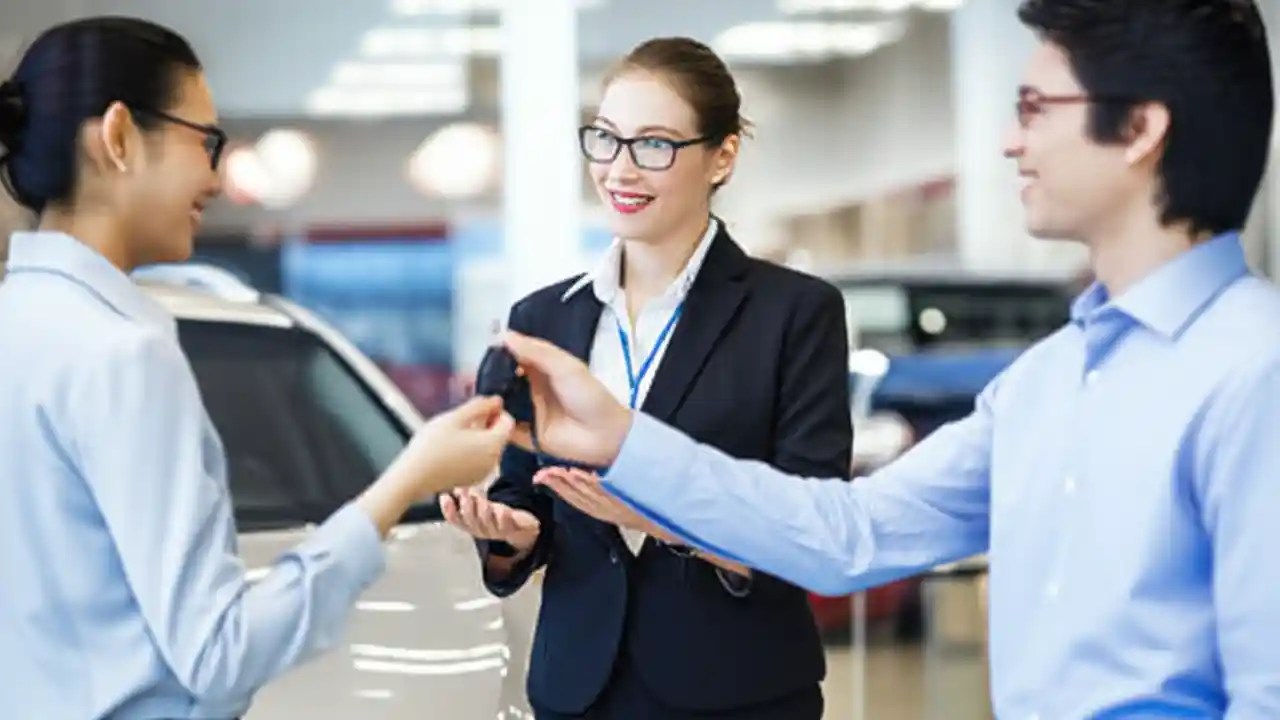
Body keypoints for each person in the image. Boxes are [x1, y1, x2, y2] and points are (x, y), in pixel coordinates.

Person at [501, 1, 1280, 717]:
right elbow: (851, 534)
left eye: (1037, 110)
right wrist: (625, 442)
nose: (1011, 141)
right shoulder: (1047, 382)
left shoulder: (1256, 372)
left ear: (1140, 128)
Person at [0, 17, 512, 720]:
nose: (215, 175)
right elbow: (219, 653)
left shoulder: (21, 323)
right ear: (118, 137)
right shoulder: (122, 353)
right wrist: (406, 481)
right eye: (205, 140)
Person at [441, 37, 852, 720]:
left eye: (654, 145)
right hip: (581, 688)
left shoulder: (794, 313)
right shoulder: (544, 317)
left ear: (722, 155)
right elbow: (530, 496)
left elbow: (812, 524)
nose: (620, 170)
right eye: (605, 140)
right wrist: (511, 534)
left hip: (738, 690)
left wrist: (660, 517)